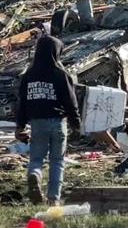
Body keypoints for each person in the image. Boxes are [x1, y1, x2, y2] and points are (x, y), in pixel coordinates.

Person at [15, 33, 81, 206]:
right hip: (58, 122)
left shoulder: (28, 75)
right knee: (57, 160)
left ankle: (35, 174)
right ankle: (53, 199)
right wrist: (76, 123)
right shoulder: (61, 74)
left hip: (37, 123)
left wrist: (20, 126)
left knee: (36, 159)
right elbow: (70, 100)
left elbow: (22, 102)